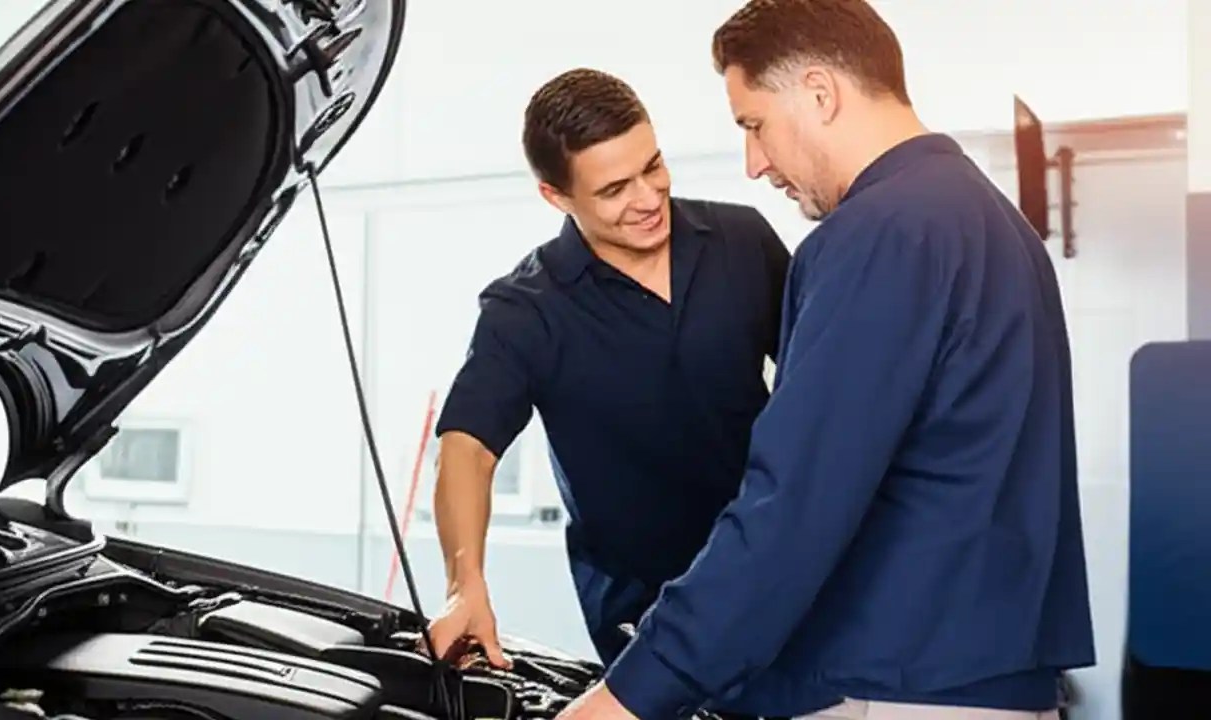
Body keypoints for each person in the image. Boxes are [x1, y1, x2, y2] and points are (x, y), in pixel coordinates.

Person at [555, 1, 1097, 719]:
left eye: (753, 124)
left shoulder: (878, 233)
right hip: (993, 679)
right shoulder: (994, 223)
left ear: (819, 93)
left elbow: (796, 501)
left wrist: (634, 691)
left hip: (893, 683)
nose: (754, 164)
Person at [425, 67, 831, 711]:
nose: (647, 198)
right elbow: (467, 447)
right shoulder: (524, 308)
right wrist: (463, 584)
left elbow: (828, 386)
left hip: (777, 572)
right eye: (614, 189)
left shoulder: (742, 240)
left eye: (653, 166)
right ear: (556, 197)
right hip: (645, 611)